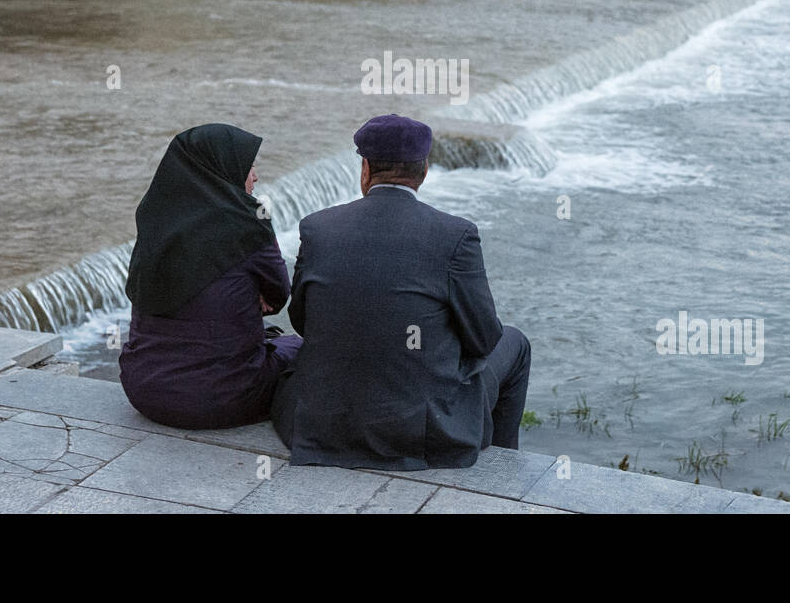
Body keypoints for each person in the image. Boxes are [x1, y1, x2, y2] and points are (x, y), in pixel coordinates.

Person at [271, 114, 531, 471]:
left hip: (324, 426)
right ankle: (504, 470)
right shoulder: (456, 235)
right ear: (424, 169)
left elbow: (302, 321)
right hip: (423, 433)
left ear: (365, 169)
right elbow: (484, 339)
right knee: (515, 345)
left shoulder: (318, 228)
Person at [119, 124, 301, 430]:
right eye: (248, 168)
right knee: (299, 348)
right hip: (224, 400)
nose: (255, 177)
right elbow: (278, 297)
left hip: (143, 391)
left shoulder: (154, 218)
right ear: (223, 169)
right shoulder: (249, 223)